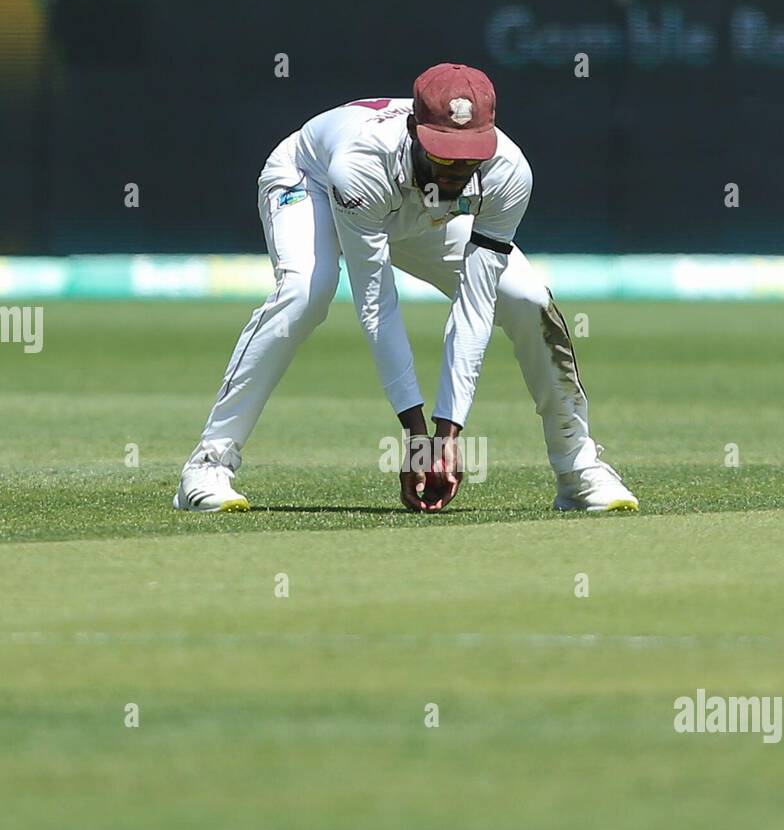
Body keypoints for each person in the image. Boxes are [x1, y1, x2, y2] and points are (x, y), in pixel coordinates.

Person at [174, 62, 638, 515]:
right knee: (306, 294)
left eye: (470, 155)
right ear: (415, 130)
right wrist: (417, 435)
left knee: (526, 298)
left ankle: (578, 470)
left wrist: (447, 435)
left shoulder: (508, 171)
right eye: (443, 152)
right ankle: (208, 464)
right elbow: (377, 303)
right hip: (311, 181)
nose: (457, 170)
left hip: (423, 214)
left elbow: (476, 307)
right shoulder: (361, 163)